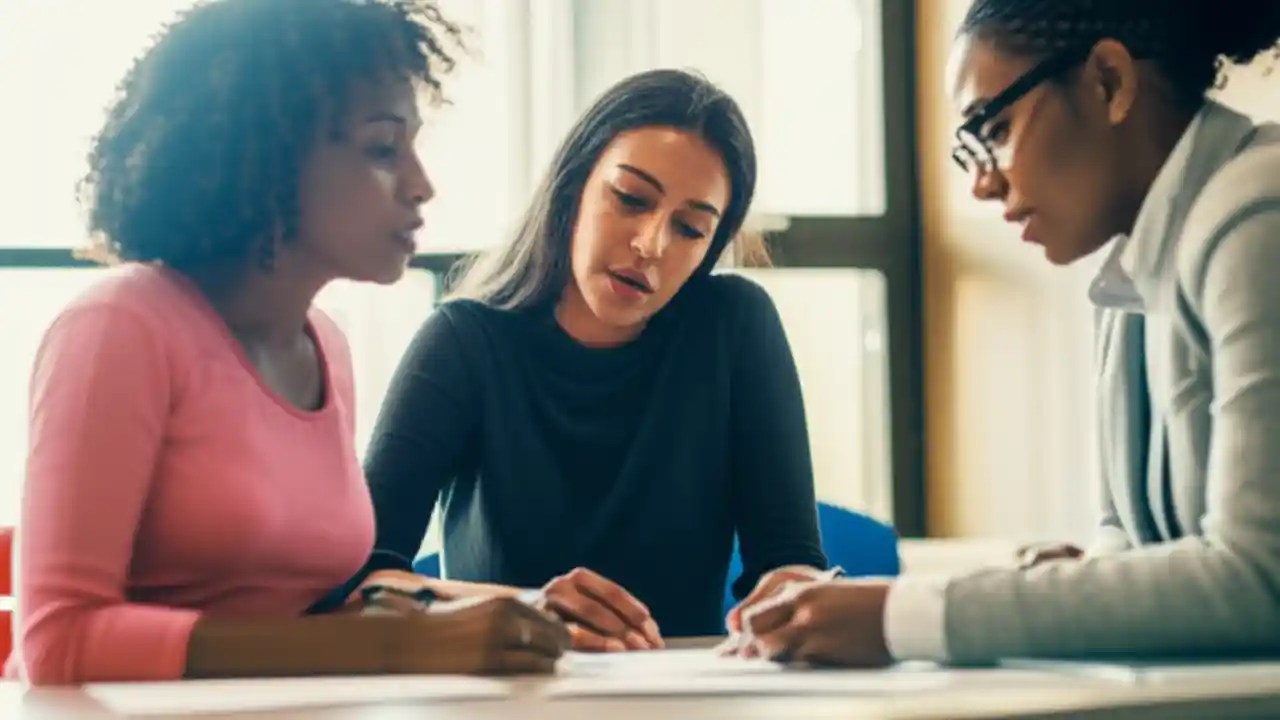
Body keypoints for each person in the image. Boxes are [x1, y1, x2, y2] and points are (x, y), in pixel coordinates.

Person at [13, 0, 566, 685]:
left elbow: (305, 615)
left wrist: (518, 608)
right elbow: (58, 641)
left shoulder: (324, 347)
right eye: (383, 149)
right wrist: (391, 649)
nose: (421, 186)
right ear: (267, 159)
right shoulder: (121, 326)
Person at [738, 0, 1280, 666]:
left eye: (993, 129)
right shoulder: (1129, 277)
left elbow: (1263, 579)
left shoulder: (1258, 213)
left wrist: (900, 617)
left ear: (1108, 81)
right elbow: (1135, 545)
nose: (981, 185)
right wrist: (1073, 581)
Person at [360, 68, 829, 651]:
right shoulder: (462, 342)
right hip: (519, 688)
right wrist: (523, 608)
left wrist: (795, 592)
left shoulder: (735, 326)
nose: (651, 244)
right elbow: (364, 582)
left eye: (690, 228)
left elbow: (789, 562)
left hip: (684, 687)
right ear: (573, 186)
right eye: (631, 199)